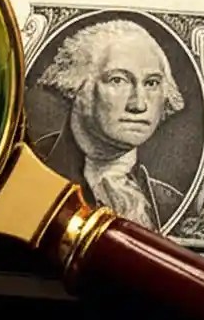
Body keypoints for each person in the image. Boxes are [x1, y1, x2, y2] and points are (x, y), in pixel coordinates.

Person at [31, 19, 187, 229]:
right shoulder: (33, 171)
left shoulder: (170, 201)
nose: (139, 104)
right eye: (118, 80)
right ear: (76, 86)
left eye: (151, 83)